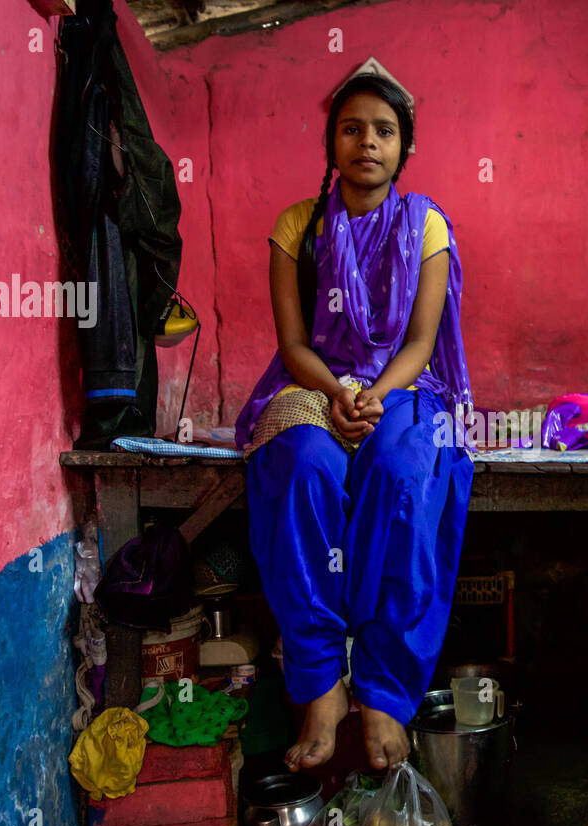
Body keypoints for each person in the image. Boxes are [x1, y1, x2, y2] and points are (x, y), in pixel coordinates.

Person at [234, 72, 474, 773]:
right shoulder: (296, 227)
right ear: (331, 143)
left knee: (404, 473)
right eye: (351, 128)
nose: (367, 141)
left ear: (404, 147)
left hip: (403, 382)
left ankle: (383, 691)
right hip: (314, 379)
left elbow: (421, 343)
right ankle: (319, 686)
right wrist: (337, 391)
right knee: (302, 463)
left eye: (384, 130)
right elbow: (293, 345)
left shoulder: (426, 223)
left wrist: (374, 394)